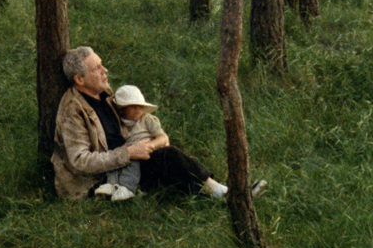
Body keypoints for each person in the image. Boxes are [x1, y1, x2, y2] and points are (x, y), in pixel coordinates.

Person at [51, 46, 266, 201]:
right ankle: (229, 195)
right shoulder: (73, 110)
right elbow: (80, 161)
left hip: (127, 163)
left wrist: (150, 141)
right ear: (79, 80)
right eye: (97, 68)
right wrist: (129, 153)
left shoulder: (105, 94)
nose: (105, 71)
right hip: (100, 180)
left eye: (102, 65)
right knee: (170, 159)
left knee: (171, 159)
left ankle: (220, 193)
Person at [95, 84, 166, 202]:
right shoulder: (118, 124)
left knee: (132, 160)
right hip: (128, 150)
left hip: (145, 152)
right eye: (133, 106)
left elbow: (163, 138)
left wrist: (150, 145)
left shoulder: (147, 119)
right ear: (121, 109)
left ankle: (127, 187)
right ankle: (111, 184)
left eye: (140, 106)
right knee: (117, 154)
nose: (138, 110)